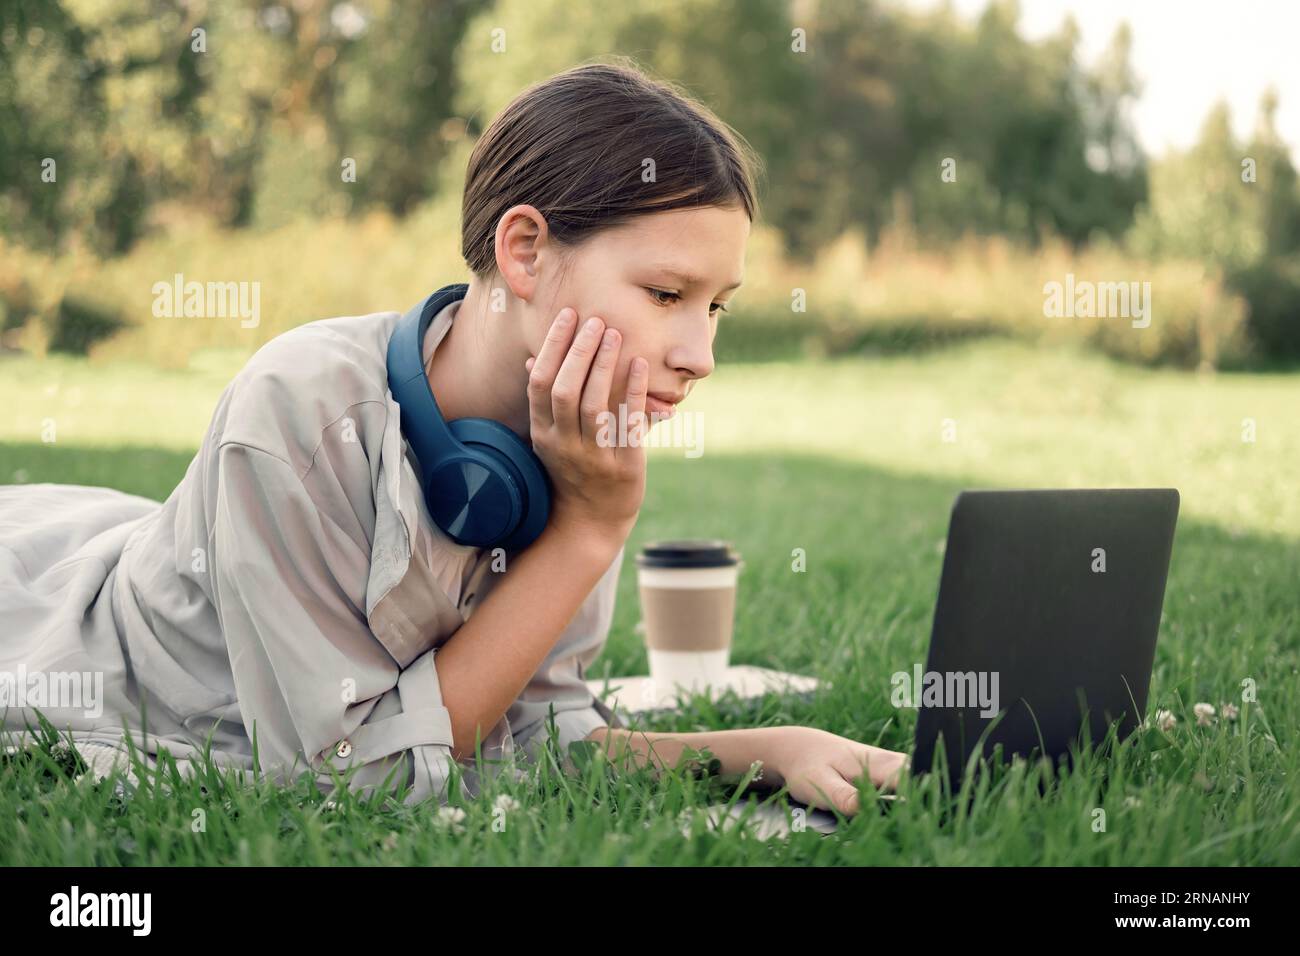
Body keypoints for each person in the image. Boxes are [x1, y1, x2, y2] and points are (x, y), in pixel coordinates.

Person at [0, 60, 906, 816]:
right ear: (524, 252)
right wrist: (589, 533)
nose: (701, 353)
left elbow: (539, 738)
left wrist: (769, 749)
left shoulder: (576, 438)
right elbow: (353, 779)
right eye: (667, 295)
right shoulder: (302, 415)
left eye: (717, 308)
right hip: (55, 627)